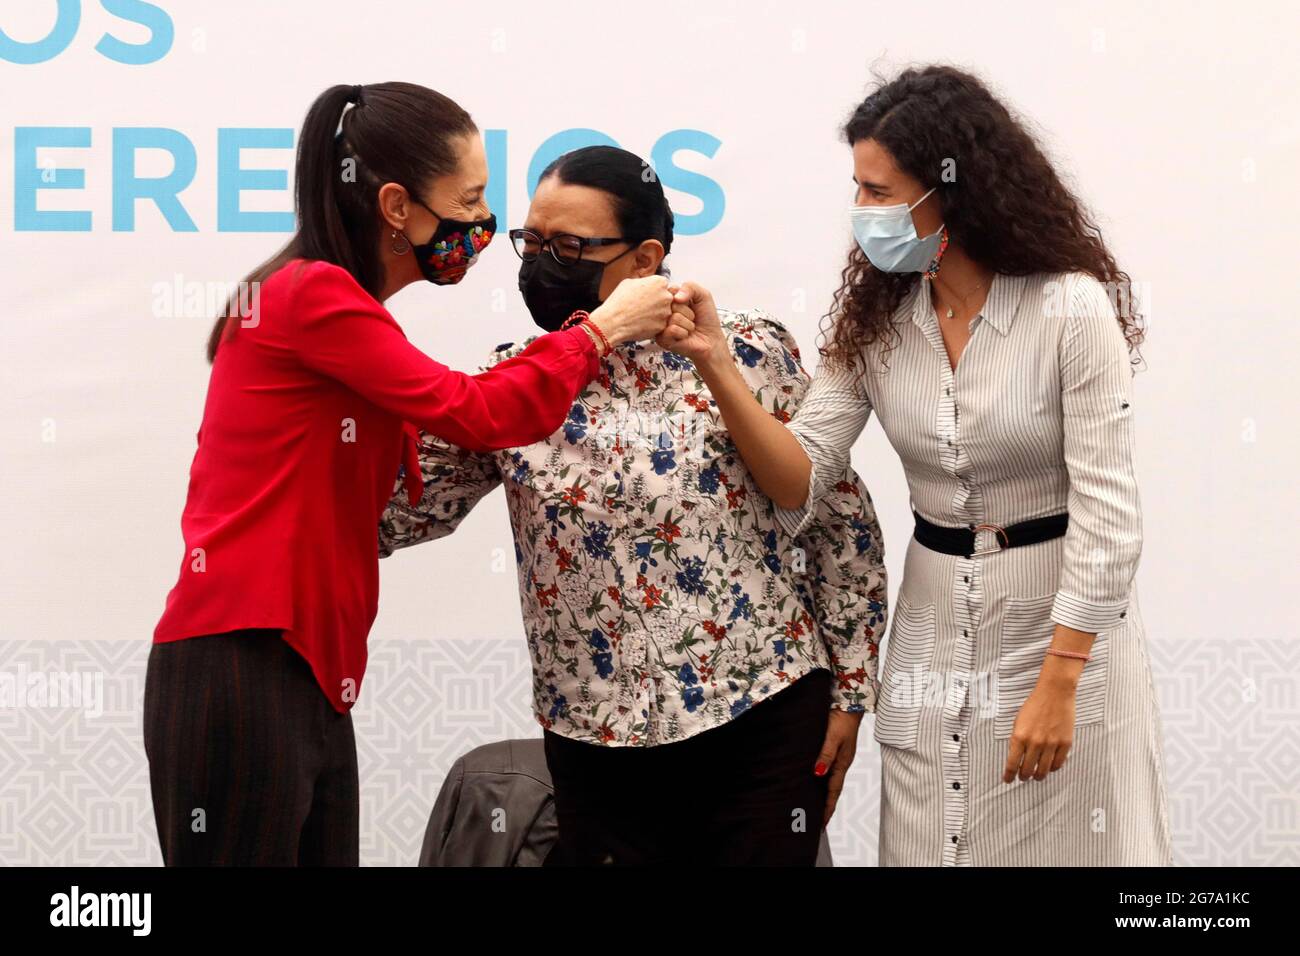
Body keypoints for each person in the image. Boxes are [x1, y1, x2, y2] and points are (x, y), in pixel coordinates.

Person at [144, 85, 684, 866]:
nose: (483, 225)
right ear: (397, 205)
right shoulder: (311, 296)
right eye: (469, 200)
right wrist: (598, 334)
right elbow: (475, 411)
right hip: (244, 660)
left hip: (309, 670)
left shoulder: (335, 305)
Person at [666, 66, 1173, 866]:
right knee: (932, 843)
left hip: (1060, 629)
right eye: (858, 190)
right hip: (931, 627)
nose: (863, 213)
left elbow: (1110, 519)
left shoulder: (1068, 308)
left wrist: (1060, 680)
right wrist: (716, 364)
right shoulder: (879, 320)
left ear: (955, 191)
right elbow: (801, 476)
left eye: (879, 191)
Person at [379, 145, 888, 866]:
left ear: (645, 258)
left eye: (570, 246)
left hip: (761, 712)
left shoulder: (748, 350)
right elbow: (398, 512)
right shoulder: (514, 383)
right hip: (593, 738)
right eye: (532, 242)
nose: (542, 264)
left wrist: (851, 692)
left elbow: (840, 523)